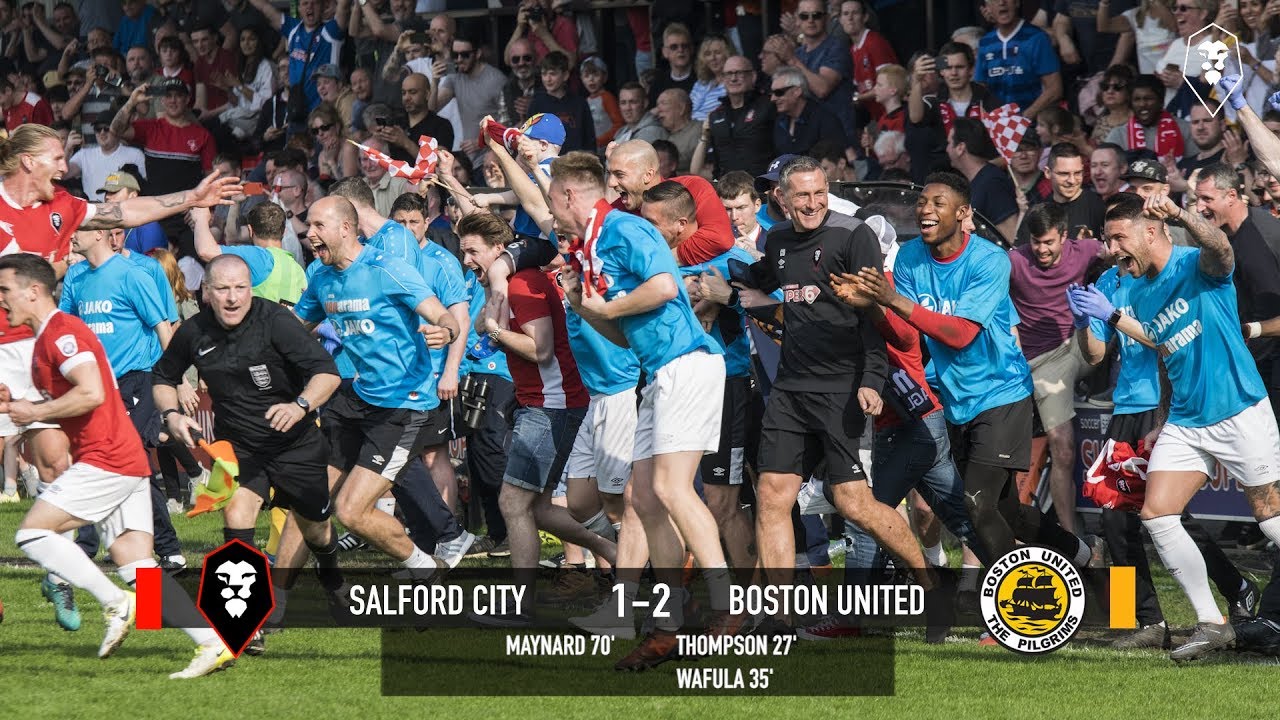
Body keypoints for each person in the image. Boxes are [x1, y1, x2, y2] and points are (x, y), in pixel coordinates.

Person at [844, 172, 1099, 594]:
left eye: (938, 202)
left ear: (963, 214)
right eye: (922, 201)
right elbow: (909, 336)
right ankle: (1085, 555)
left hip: (1002, 394)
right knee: (1008, 515)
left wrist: (891, 300)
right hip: (956, 401)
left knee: (976, 504)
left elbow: (961, 334)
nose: (925, 209)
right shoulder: (909, 258)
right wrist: (870, 307)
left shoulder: (989, 260)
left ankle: (1013, 605)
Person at [0, 253, 234, 679]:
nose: (2, 302)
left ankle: (113, 602)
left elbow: (90, 393)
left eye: (5, 291)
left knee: (32, 533)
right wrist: (24, 408)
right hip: (120, 456)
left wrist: (32, 412)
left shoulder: (61, 333)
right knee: (135, 563)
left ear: (33, 291)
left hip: (107, 458)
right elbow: (77, 402)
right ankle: (212, 643)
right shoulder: (51, 336)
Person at [1070, 191, 1280, 661]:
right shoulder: (1136, 287)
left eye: (1118, 237)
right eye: (1107, 239)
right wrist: (1109, 319)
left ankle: (1230, 591)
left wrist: (1184, 214)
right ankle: (1205, 623)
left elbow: (1223, 250)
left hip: (1238, 408)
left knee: (1270, 517)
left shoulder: (1194, 265)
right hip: (1181, 417)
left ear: (1151, 231)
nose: (1111, 249)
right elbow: (1164, 349)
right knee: (1152, 514)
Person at [551, 150, 736, 668]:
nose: (550, 208)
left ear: (569, 196)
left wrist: (605, 304)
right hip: (658, 371)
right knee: (645, 500)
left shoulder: (622, 229)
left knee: (670, 489)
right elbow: (623, 333)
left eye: (552, 197)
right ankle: (670, 626)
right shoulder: (594, 241)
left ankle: (728, 606)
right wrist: (582, 305)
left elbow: (662, 287)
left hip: (687, 364)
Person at [153, 254, 346, 643]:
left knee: (317, 529)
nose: (232, 298)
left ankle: (332, 575)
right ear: (205, 292)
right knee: (238, 511)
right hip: (241, 445)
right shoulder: (193, 332)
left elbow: (328, 373)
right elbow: (163, 376)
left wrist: (299, 405)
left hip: (296, 443)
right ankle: (245, 622)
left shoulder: (275, 322)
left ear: (250, 290)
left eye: (240, 288)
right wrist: (172, 414)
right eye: (222, 289)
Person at [456, 211, 618, 623]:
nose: (466, 260)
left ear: (499, 251)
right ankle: (621, 552)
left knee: (513, 502)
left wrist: (494, 328)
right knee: (540, 508)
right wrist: (490, 306)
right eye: (463, 252)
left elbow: (540, 349)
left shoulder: (524, 285)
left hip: (552, 404)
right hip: (543, 402)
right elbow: (481, 323)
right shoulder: (502, 284)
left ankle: (520, 606)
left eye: (473, 252)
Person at [293, 196, 460, 578]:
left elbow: (444, 315)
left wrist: (444, 331)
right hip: (358, 399)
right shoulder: (321, 278)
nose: (309, 234)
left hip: (405, 403)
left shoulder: (388, 269)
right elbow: (294, 329)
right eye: (309, 227)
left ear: (347, 229)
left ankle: (428, 568)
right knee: (313, 497)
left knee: (352, 511)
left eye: (319, 226)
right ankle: (282, 597)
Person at [1008, 203, 1103, 534]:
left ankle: (1071, 537)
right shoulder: (1015, 261)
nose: (1042, 249)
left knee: (1062, 441)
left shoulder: (1086, 250)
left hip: (1071, 348)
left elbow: (1119, 253)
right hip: (1027, 360)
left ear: (1065, 236)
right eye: (1036, 242)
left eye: (1049, 242)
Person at [974, 0, 1062, 120]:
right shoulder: (985, 43)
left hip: (1031, 127)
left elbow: (1054, 89)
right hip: (996, 128)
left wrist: (1023, 118)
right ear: (987, 9)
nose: (1001, 2)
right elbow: (979, 88)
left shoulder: (1037, 38)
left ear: (1017, 3)